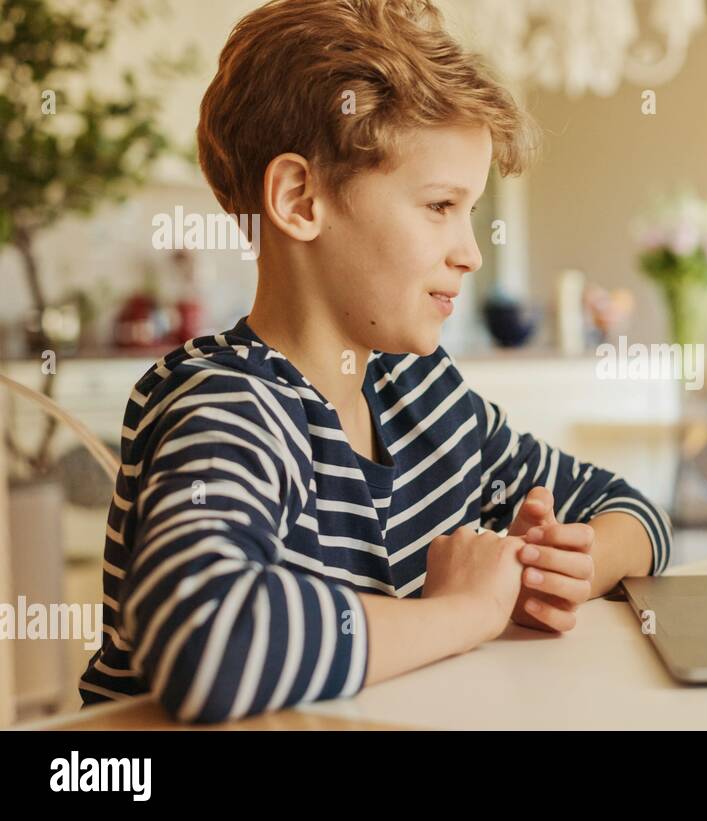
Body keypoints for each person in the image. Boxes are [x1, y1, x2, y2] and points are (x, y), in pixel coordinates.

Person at [79, 0, 672, 723]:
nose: (471, 251)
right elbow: (212, 641)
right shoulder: (227, 406)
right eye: (439, 206)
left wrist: (568, 565)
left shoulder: (424, 395)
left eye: (471, 210)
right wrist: (467, 610)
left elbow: (637, 513)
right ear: (300, 200)